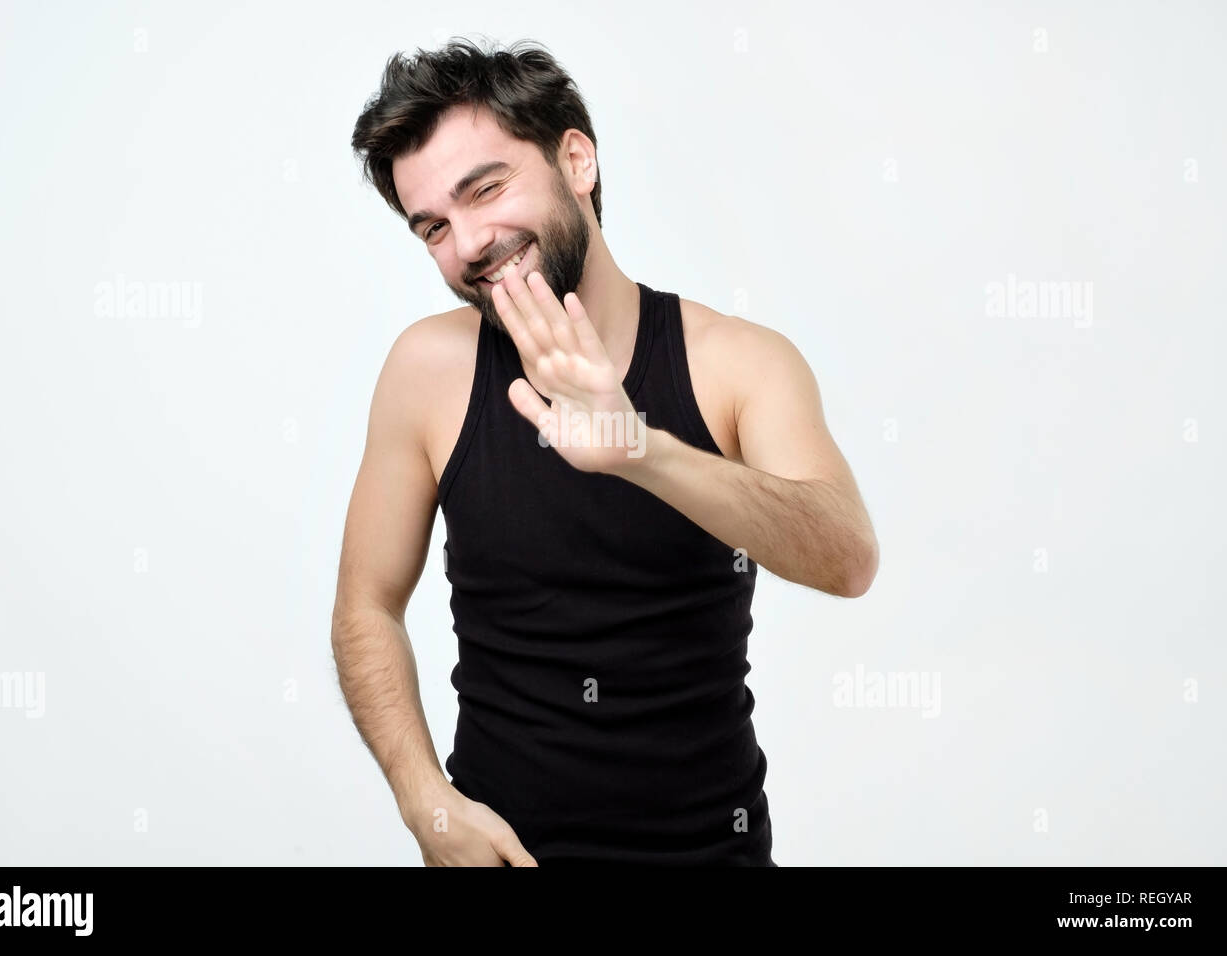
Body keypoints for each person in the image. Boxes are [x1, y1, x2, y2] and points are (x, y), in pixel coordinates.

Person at [334, 37, 879, 866]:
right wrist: (426, 804)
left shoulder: (739, 362)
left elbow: (847, 559)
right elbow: (365, 608)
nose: (472, 241)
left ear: (576, 159)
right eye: (435, 226)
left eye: (487, 188)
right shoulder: (426, 371)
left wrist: (638, 449)